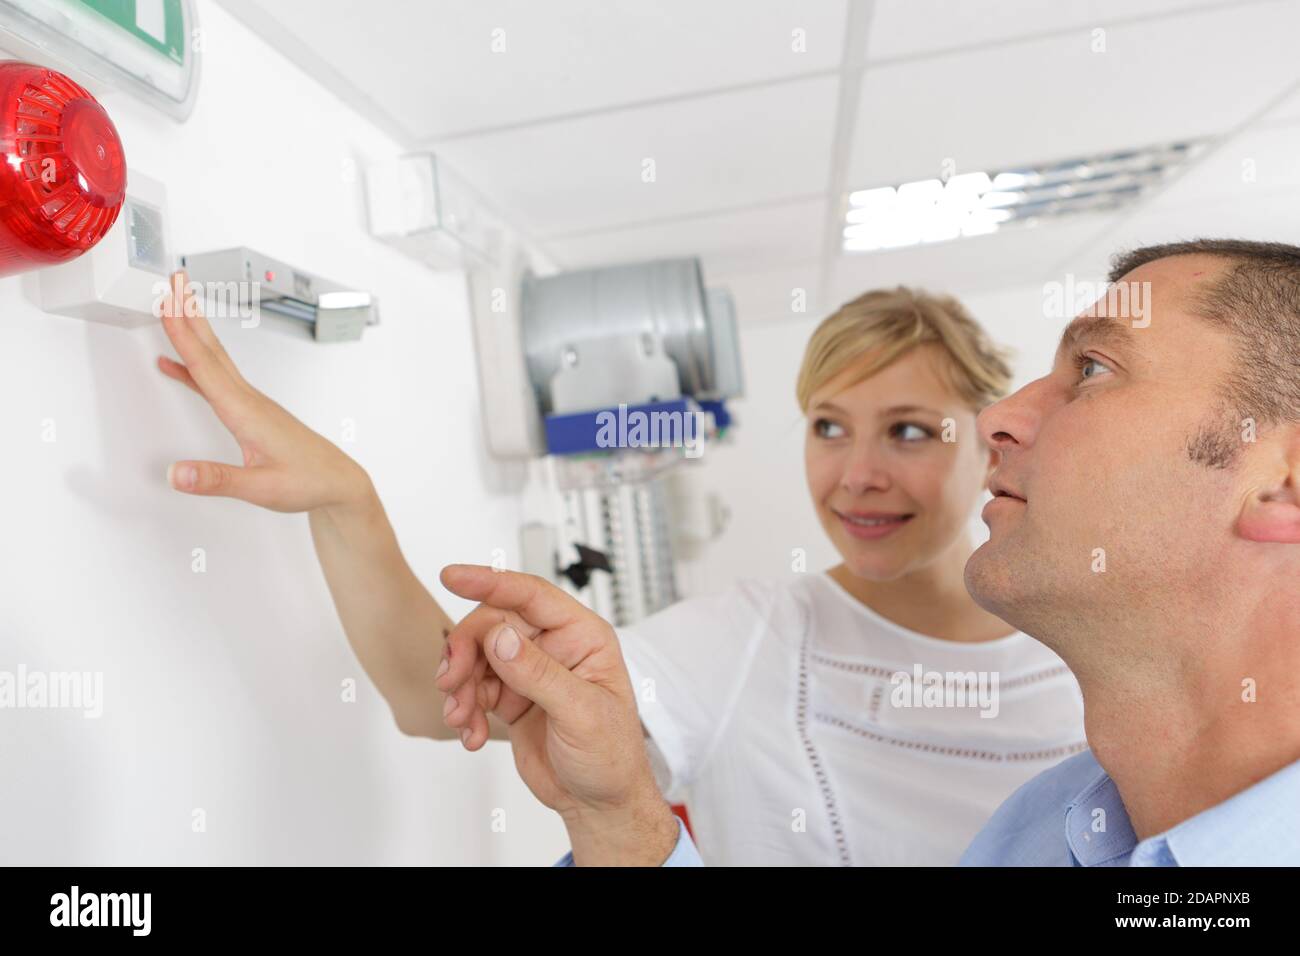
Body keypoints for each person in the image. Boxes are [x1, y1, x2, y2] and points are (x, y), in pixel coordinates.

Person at [157, 274, 1085, 864]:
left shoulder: (1088, 653)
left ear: (989, 437)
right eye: (828, 427)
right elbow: (431, 698)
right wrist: (347, 503)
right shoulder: (749, 639)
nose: (857, 475)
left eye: (910, 431)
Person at [438, 238, 1300, 866]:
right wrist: (620, 819)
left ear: (1284, 483)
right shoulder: (1055, 827)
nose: (858, 476)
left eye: (1096, 371)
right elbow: (458, 700)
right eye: (827, 429)